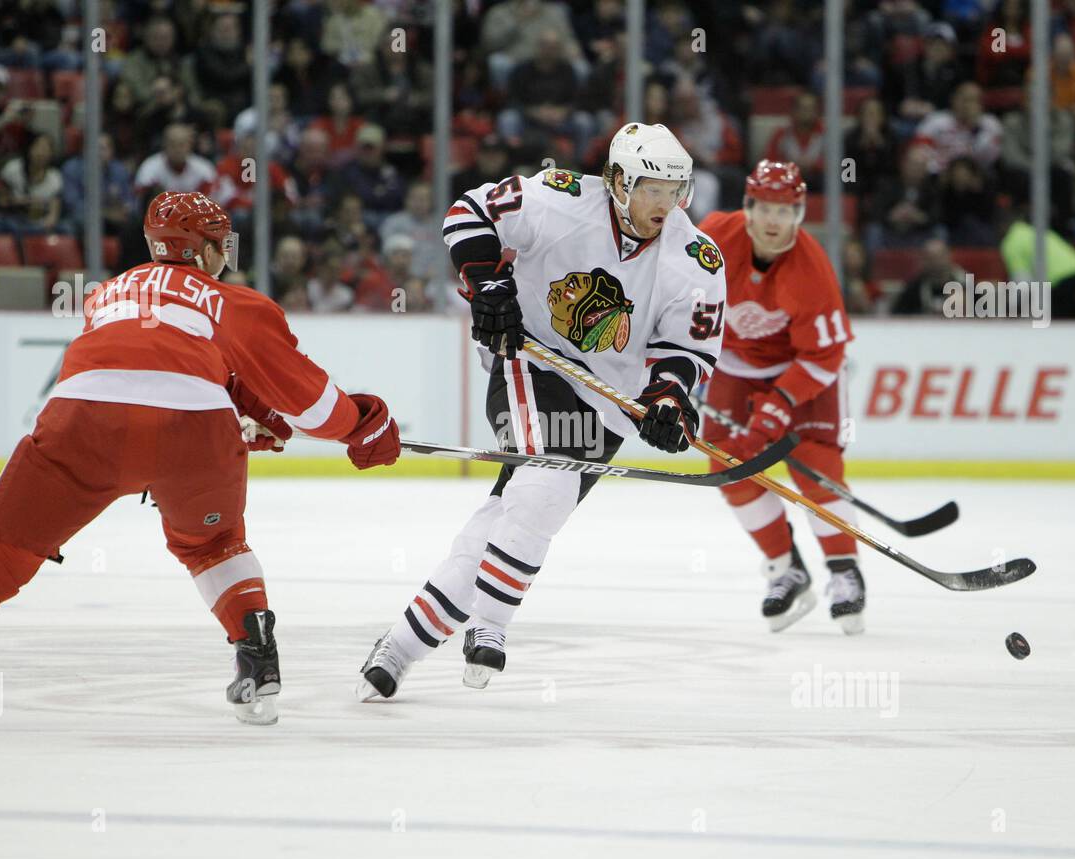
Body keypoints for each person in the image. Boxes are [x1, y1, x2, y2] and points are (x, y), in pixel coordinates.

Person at [0, 192, 401, 724]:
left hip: (83, 420)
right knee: (213, 543)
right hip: (194, 433)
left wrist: (237, 408)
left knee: (0, 550)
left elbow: (141, 362)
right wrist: (363, 427)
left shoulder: (106, 293)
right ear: (207, 249)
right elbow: (310, 402)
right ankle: (257, 661)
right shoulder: (231, 301)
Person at [357, 122, 726, 699]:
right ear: (619, 180)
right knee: (548, 483)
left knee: (518, 510)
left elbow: (686, 349)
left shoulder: (696, 258)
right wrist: (487, 285)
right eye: (653, 188)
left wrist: (668, 400)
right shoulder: (560, 198)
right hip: (529, 359)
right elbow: (467, 212)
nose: (666, 203)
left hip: (606, 404)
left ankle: (401, 645)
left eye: (675, 189)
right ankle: (490, 624)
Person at [698, 161, 865, 635]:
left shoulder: (811, 270)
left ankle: (844, 572)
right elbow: (679, 294)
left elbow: (825, 354)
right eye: (764, 208)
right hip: (734, 365)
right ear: (747, 207)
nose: (773, 221)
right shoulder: (713, 238)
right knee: (731, 471)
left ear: (800, 212)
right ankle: (784, 568)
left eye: (785, 210)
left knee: (817, 469)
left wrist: (780, 402)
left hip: (803, 371)